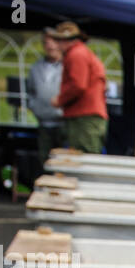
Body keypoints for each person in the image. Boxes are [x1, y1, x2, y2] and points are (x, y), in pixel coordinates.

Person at [46, 21, 107, 153]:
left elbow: (78, 85)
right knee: (85, 156)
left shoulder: (76, 55)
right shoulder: (82, 52)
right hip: (87, 116)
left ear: (66, 41)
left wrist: (60, 100)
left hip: (84, 118)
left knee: (85, 159)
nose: (57, 45)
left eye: (59, 40)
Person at [26, 31, 64, 171]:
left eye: (53, 42)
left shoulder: (67, 65)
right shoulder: (36, 67)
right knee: (45, 161)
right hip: (44, 122)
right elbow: (30, 90)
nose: (50, 46)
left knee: (63, 162)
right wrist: (34, 107)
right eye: (47, 43)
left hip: (63, 122)